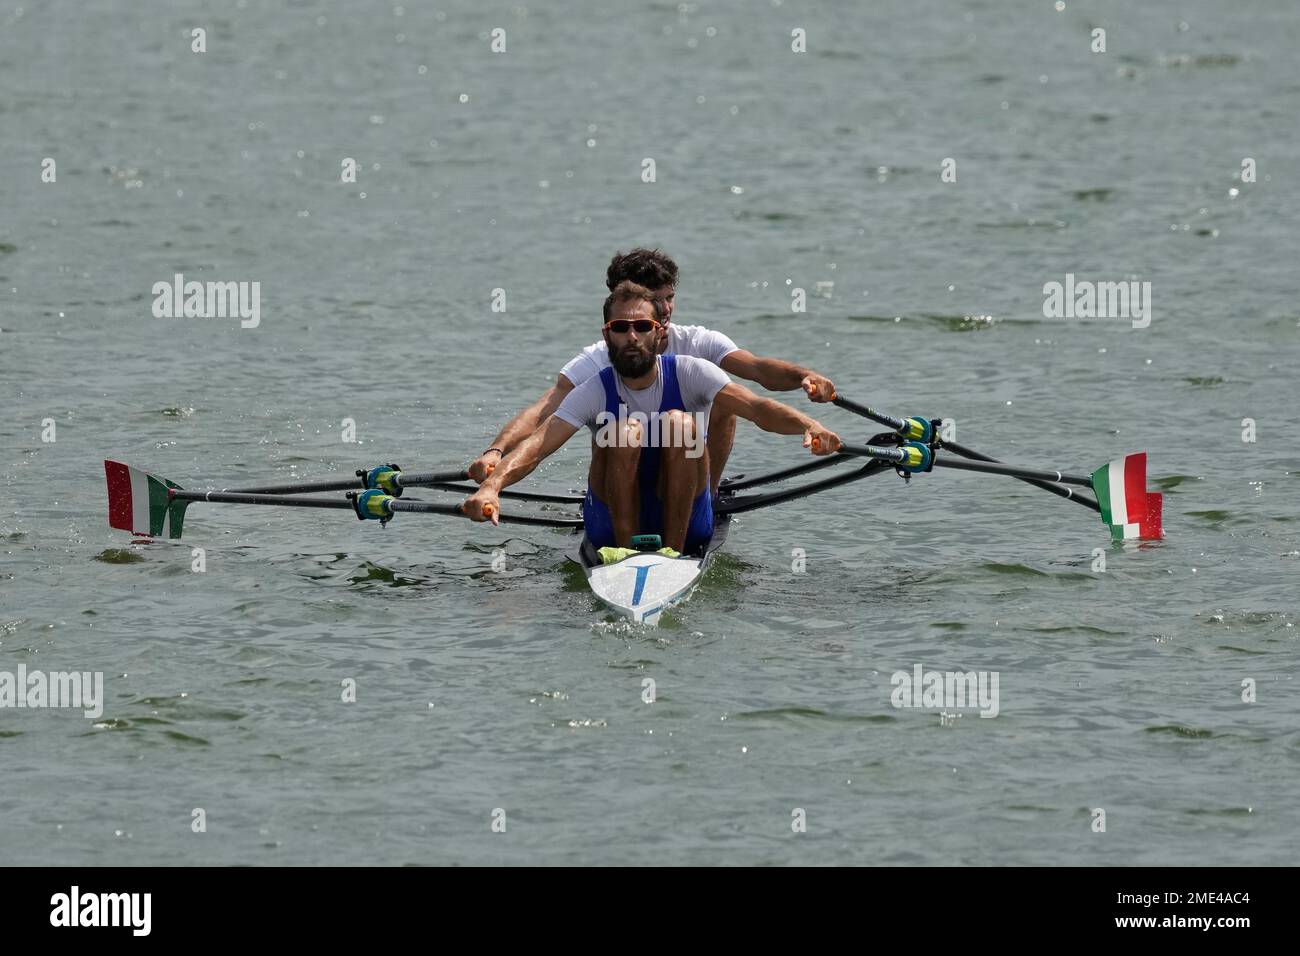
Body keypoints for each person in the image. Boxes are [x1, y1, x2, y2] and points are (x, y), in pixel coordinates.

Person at [463, 283, 841, 554]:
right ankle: (624, 552)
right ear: (606, 335)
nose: (632, 336)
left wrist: (810, 426)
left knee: (680, 424)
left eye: (642, 327)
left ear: (659, 334)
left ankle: (672, 553)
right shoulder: (594, 387)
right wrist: (492, 487)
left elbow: (757, 408)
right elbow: (537, 445)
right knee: (623, 432)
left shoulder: (692, 371)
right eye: (621, 328)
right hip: (609, 520)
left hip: (685, 517)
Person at [467, 248, 837, 494]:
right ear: (622, 298)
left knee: (725, 397)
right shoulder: (596, 361)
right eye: (654, 299)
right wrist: (496, 453)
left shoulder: (698, 343)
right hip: (622, 474)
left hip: (689, 464)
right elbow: (543, 412)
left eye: (669, 297)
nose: (665, 308)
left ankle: (705, 496)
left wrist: (804, 377)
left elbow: (757, 371)